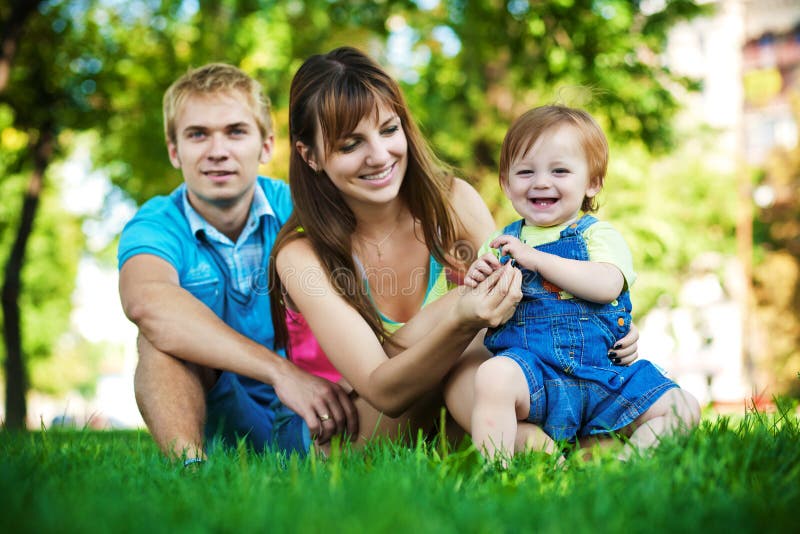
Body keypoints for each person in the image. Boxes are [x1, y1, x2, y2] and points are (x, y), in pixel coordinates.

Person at [268, 47, 640, 447]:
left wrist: (598, 320)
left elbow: (524, 297)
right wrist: (461, 316)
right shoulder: (302, 256)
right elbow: (384, 392)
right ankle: (548, 455)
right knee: (470, 333)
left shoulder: (452, 201)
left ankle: (547, 455)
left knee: (481, 344)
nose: (379, 155)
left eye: (389, 130)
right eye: (349, 145)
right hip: (366, 431)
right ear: (309, 156)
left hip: (463, 412)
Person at [117, 63, 359, 465]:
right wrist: (280, 373)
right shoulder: (156, 224)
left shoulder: (301, 208)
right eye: (197, 135)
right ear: (175, 150)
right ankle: (191, 472)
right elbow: (147, 303)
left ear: (266, 146)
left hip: (317, 412)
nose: (217, 151)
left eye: (235, 131)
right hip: (223, 415)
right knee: (156, 340)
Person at [462, 105, 701, 461]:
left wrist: (536, 259)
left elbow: (607, 284)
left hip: (603, 378)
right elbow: (485, 317)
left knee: (684, 406)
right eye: (525, 172)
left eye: (559, 171)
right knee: (492, 376)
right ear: (506, 184)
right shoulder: (500, 243)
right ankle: (497, 473)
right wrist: (478, 281)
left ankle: (627, 469)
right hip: (536, 379)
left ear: (592, 182)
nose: (541, 182)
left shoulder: (597, 236)